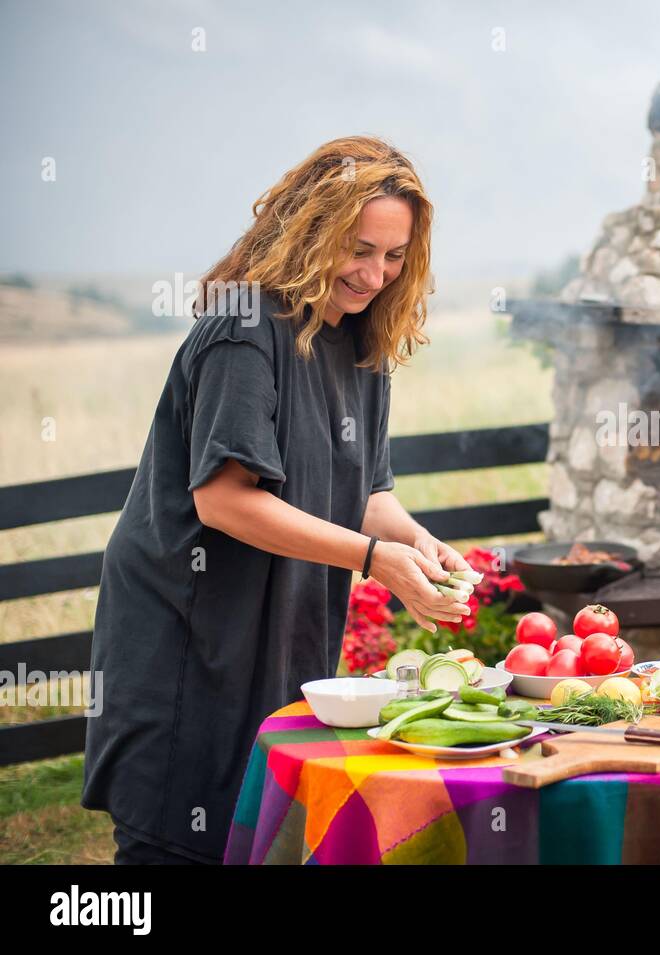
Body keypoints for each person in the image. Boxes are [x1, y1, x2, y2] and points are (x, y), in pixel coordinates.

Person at [82, 136, 471, 864]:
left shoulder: (361, 342)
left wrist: (416, 546)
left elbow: (364, 494)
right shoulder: (244, 329)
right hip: (188, 637)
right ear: (308, 230)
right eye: (358, 248)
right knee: (178, 842)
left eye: (393, 257)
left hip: (276, 631)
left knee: (260, 838)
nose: (375, 273)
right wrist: (371, 560)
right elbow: (225, 501)